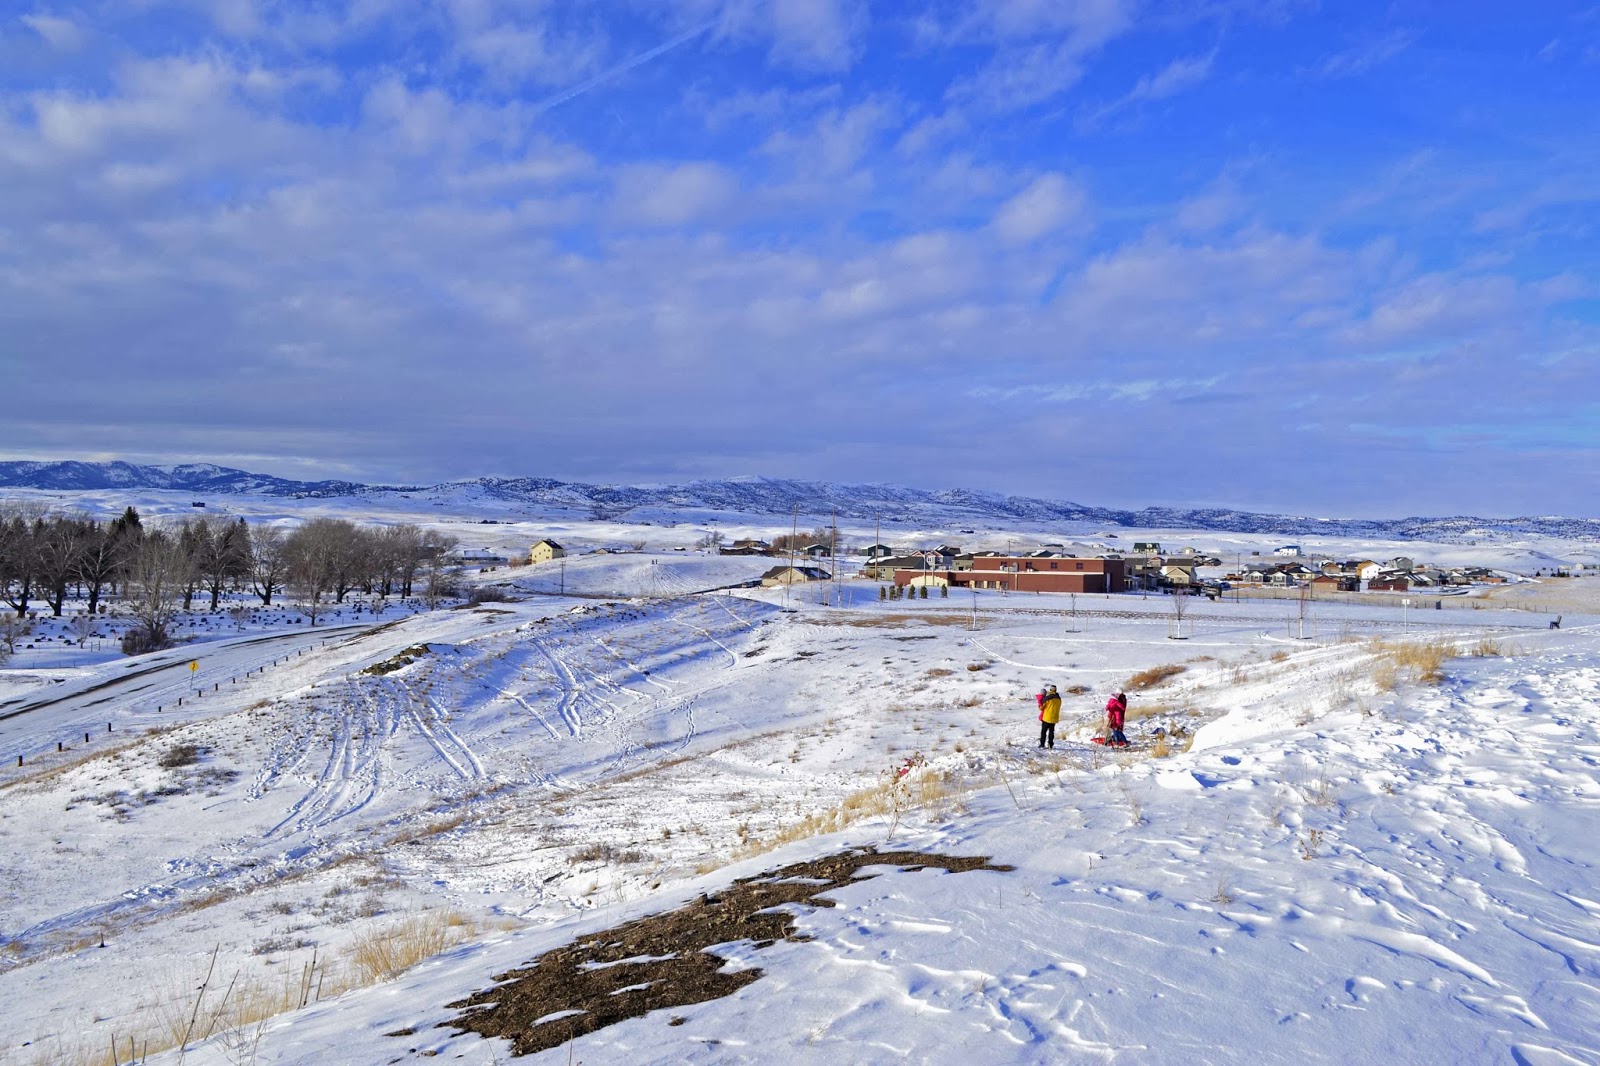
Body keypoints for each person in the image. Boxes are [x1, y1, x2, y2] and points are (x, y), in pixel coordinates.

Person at [1037, 684, 1061, 749]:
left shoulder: (1047, 698)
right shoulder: (1059, 698)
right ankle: (1050, 745)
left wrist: (1039, 705)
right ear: (1056, 690)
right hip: (1054, 718)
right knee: (1051, 732)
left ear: (1050, 690)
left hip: (1046, 717)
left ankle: (1042, 744)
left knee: (1044, 731)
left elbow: (1041, 708)